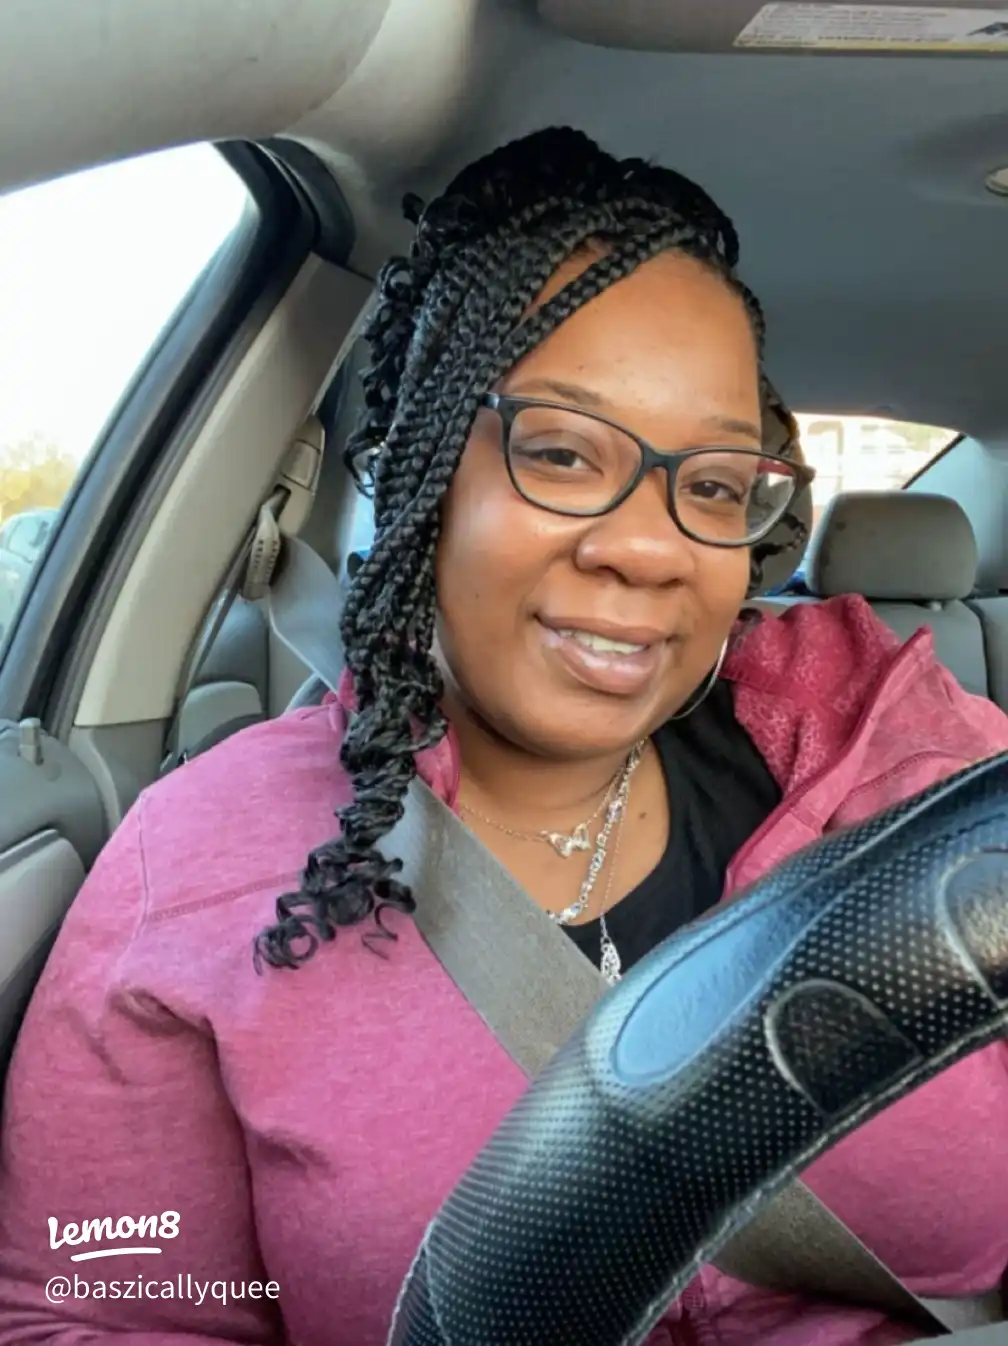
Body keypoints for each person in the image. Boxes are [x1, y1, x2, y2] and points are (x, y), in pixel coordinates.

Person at [0, 127, 1005, 1346]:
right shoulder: (199, 862)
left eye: (715, 485)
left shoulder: (915, 774)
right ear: (425, 480)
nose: (648, 547)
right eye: (563, 453)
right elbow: (109, 1308)